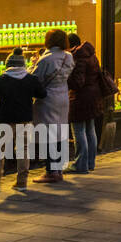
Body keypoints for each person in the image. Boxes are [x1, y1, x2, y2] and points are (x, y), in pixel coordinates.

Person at [0, 49, 47, 194]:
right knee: (23, 151)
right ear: (23, 65)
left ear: (7, 65)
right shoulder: (31, 79)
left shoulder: (0, 80)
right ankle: (22, 182)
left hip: (5, 120)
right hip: (25, 120)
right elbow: (42, 94)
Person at [31, 29, 74, 184]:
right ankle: (58, 169)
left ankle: (51, 171)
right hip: (62, 96)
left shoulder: (46, 59)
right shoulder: (68, 57)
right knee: (60, 133)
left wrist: (33, 65)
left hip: (48, 99)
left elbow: (35, 79)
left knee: (48, 135)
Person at [65, 34, 104, 175]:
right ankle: (90, 162)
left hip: (80, 99)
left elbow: (78, 82)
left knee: (79, 130)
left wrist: (64, 78)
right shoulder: (91, 55)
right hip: (93, 96)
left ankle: (80, 164)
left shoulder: (78, 58)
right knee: (90, 129)